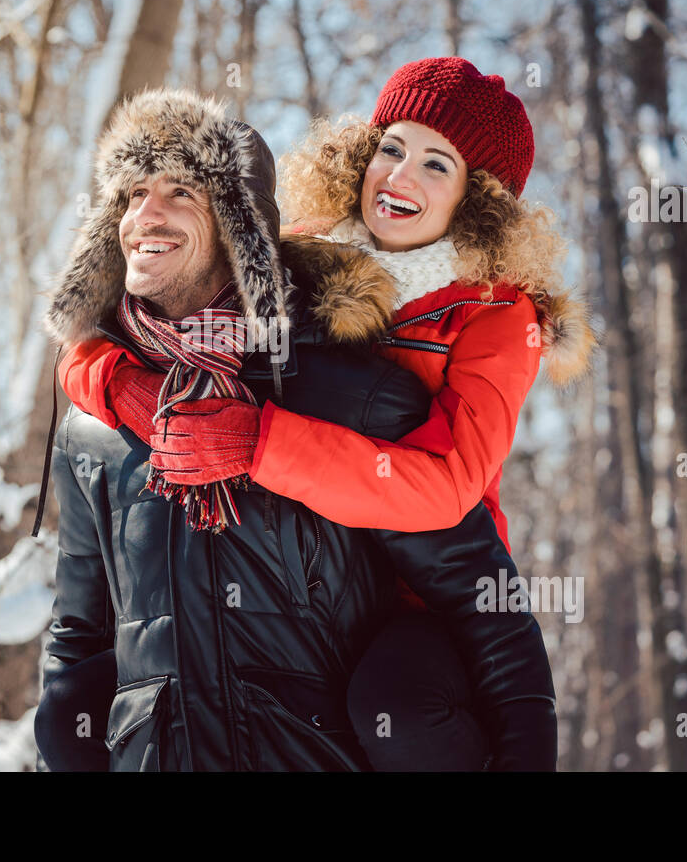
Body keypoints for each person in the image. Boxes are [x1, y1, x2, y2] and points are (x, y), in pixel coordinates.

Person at [56, 58, 596, 769]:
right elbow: (106, 332)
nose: (401, 175)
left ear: (477, 200)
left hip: (422, 594)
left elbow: (447, 483)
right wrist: (120, 383)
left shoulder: (496, 316)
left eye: (438, 165)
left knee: (400, 710)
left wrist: (257, 443)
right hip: (321, 563)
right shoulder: (311, 262)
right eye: (392, 148)